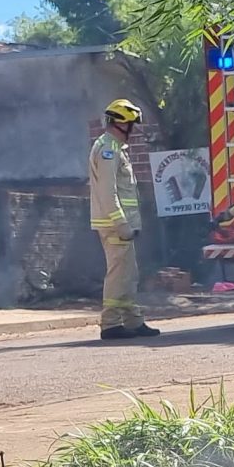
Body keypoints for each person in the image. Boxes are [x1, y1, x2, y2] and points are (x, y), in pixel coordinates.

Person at [89, 99, 159, 341]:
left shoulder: (113, 147)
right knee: (119, 274)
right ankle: (110, 323)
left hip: (122, 225)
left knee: (128, 274)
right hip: (115, 225)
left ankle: (132, 321)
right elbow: (108, 193)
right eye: (131, 125)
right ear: (121, 124)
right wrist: (121, 225)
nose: (133, 130)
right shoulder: (108, 150)